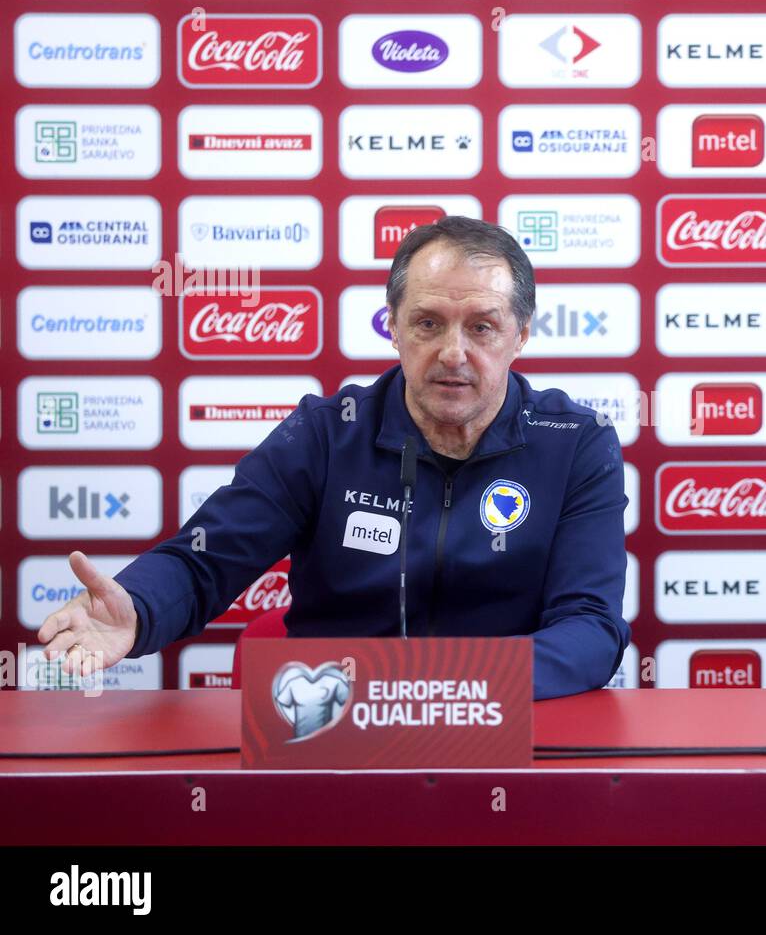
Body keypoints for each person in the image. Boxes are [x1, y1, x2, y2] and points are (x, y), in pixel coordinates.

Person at [38, 217, 631, 700]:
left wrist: (453, 686)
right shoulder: (325, 434)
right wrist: (136, 609)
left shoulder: (576, 442)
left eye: (482, 327)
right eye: (428, 324)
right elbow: (203, 563)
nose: (454, 353)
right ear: (393, 327)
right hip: (328, 723)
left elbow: (591, 627)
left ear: (521, 333)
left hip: (505, 722)